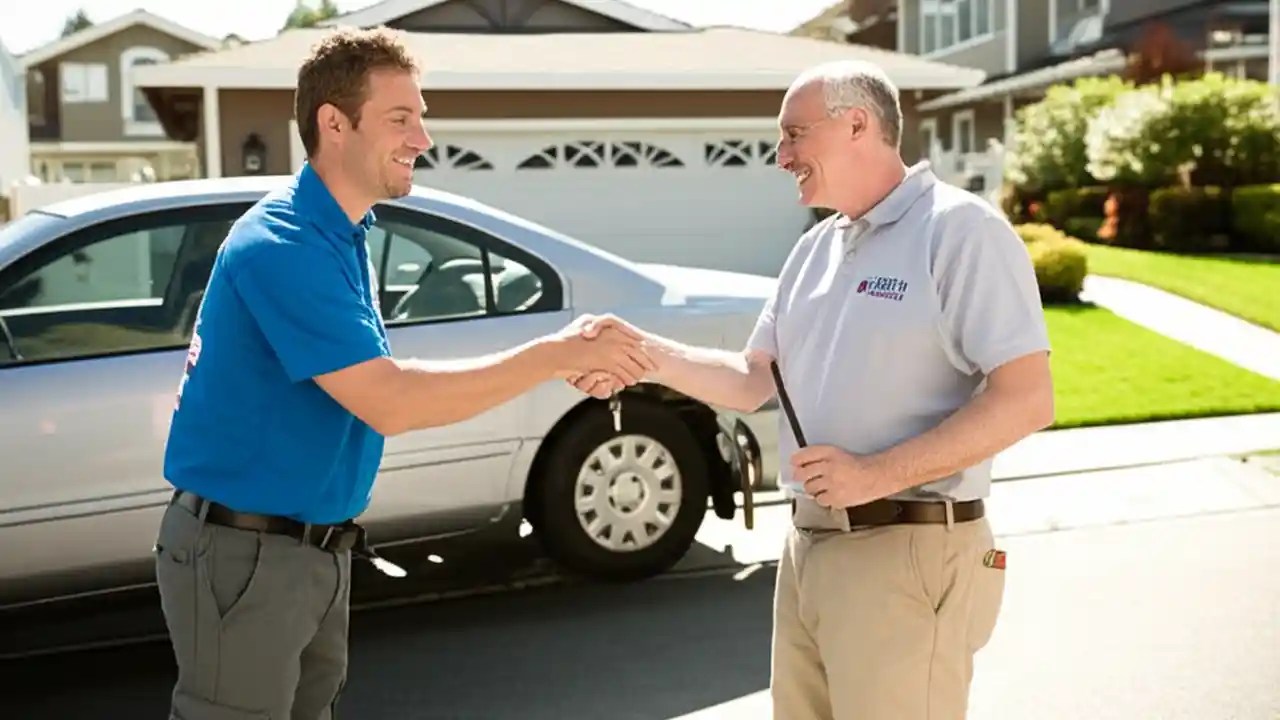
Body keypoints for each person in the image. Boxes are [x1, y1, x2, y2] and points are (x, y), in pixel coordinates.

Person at [153, 27, 653, 720]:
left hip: (305, 553)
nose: (422, 138)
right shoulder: (285, 244)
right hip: (248, 559)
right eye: (401, 118)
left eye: (421, 117)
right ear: (334, 123)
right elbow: (387, 400)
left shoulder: (341, 233)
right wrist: (556, 354)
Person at [573, 61, 1054, 719]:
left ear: (857, 124)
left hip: (908, 547)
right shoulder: (815, 250)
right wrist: (644, 354)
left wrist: (874, 474)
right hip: (807, 550)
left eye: (796, 134)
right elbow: (752, 380)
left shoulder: (960, 231)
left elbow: (1027, 399)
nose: (781, 156)